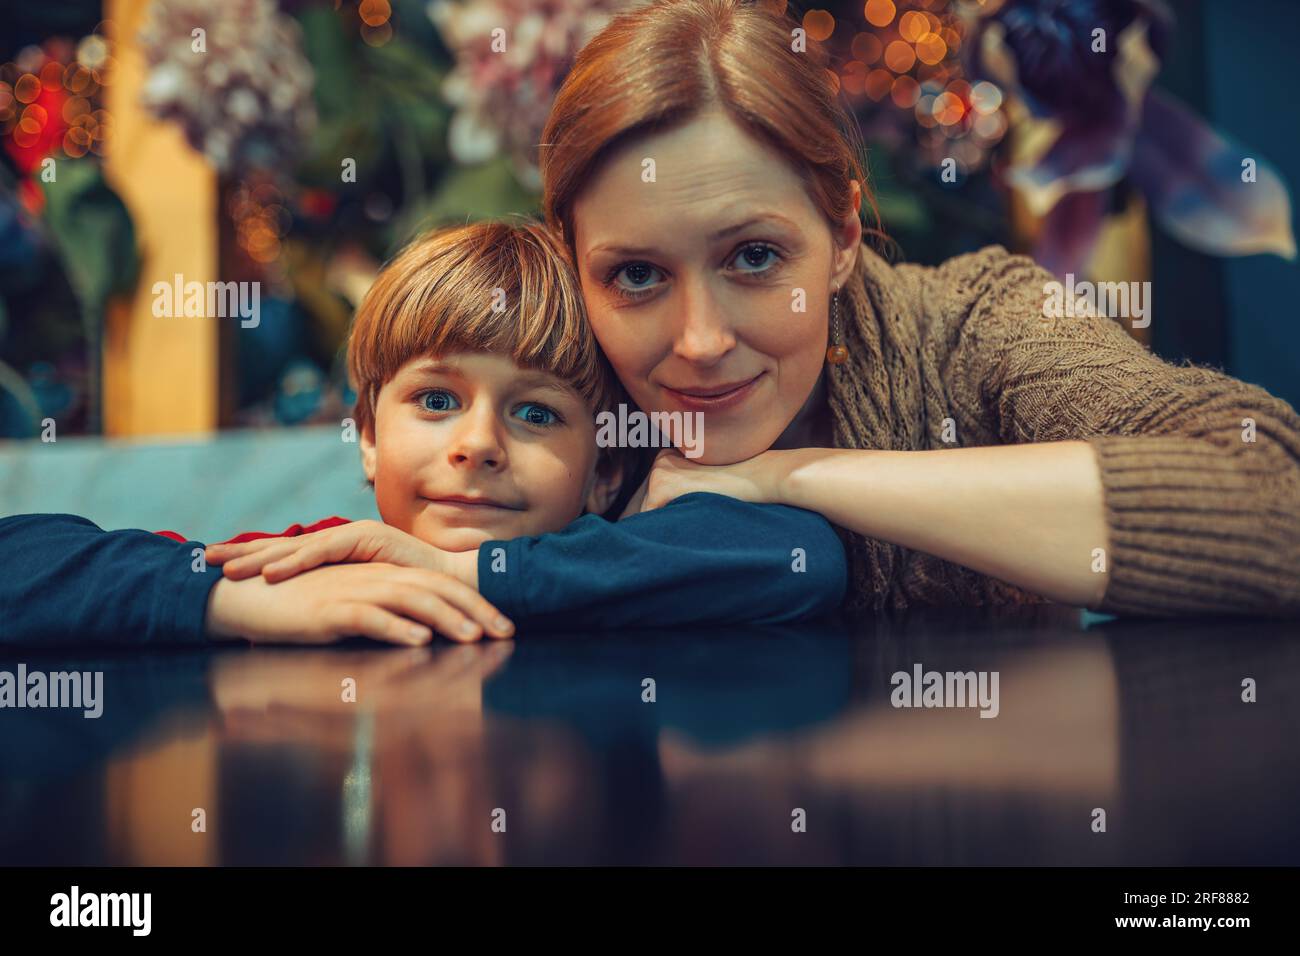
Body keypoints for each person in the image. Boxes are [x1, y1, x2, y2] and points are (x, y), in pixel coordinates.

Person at [533, 0, 1300, 617]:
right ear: (574, 264)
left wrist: (792, 477)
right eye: (636, 275)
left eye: (756, 257)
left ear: (840, 238)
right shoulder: (541, 378)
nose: (700, 341)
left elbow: (1275, 498)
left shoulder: (982, 323)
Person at [0, 220, 846, 647]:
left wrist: (468, 571)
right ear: (367, 438)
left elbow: (793, 557)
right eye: (436, 401)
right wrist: (225, 599)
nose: (477, 443)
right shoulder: (315, 564)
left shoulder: (634, 566)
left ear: (601, 470)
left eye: (537, 412)